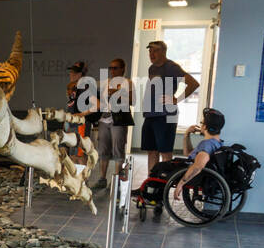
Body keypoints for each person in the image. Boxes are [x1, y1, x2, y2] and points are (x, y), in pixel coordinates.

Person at [141, 40, 199, 174]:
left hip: (166, 116)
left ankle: (163, 184)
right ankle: (151, 183)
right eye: (150, 51)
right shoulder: (152, 68)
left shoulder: (171, 67)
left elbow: (193, 83)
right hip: (151, 115)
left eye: (155, 50)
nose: (151, 54)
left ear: (163, 52)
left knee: (165, 152)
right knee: (151, 151)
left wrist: (176, 99)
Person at [91, 58, 134, 189]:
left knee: (118, 148)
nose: (112, 71)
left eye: (115, 68)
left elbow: (132, 101)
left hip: (119, 120)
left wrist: (117, 94)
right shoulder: (106, 83)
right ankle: (102, 178)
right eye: (110, 68)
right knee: (103, 149)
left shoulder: (127, 83)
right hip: (104, 119)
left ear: (123, 69)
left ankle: (115, 179)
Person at [171, 107, 225, 201]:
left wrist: (180, 184)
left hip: (194, 175)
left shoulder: (207, 145)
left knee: (159, 169)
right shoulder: (217, 142)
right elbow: (188, 153)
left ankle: (151, 196)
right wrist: (187, 134)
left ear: (204, 127)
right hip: (201, 174)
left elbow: (198, 166)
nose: (201, 125)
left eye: (201, 123)